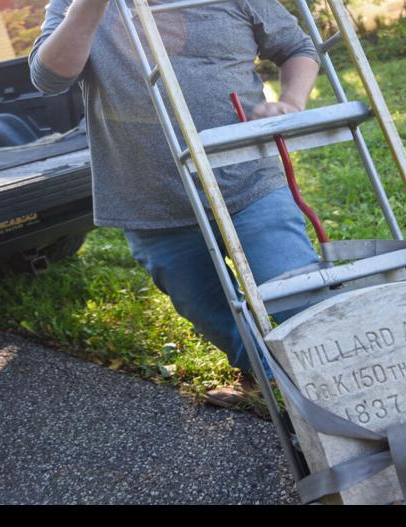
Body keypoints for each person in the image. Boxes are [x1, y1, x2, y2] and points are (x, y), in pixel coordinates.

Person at [30, 0, 323, 408]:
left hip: (248, 180)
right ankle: (270, 379)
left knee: (296, 293)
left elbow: (298, 48)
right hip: (151, 201)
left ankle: (337, 380)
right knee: (207, 309)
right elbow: (47, 78)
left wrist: (291, 103)